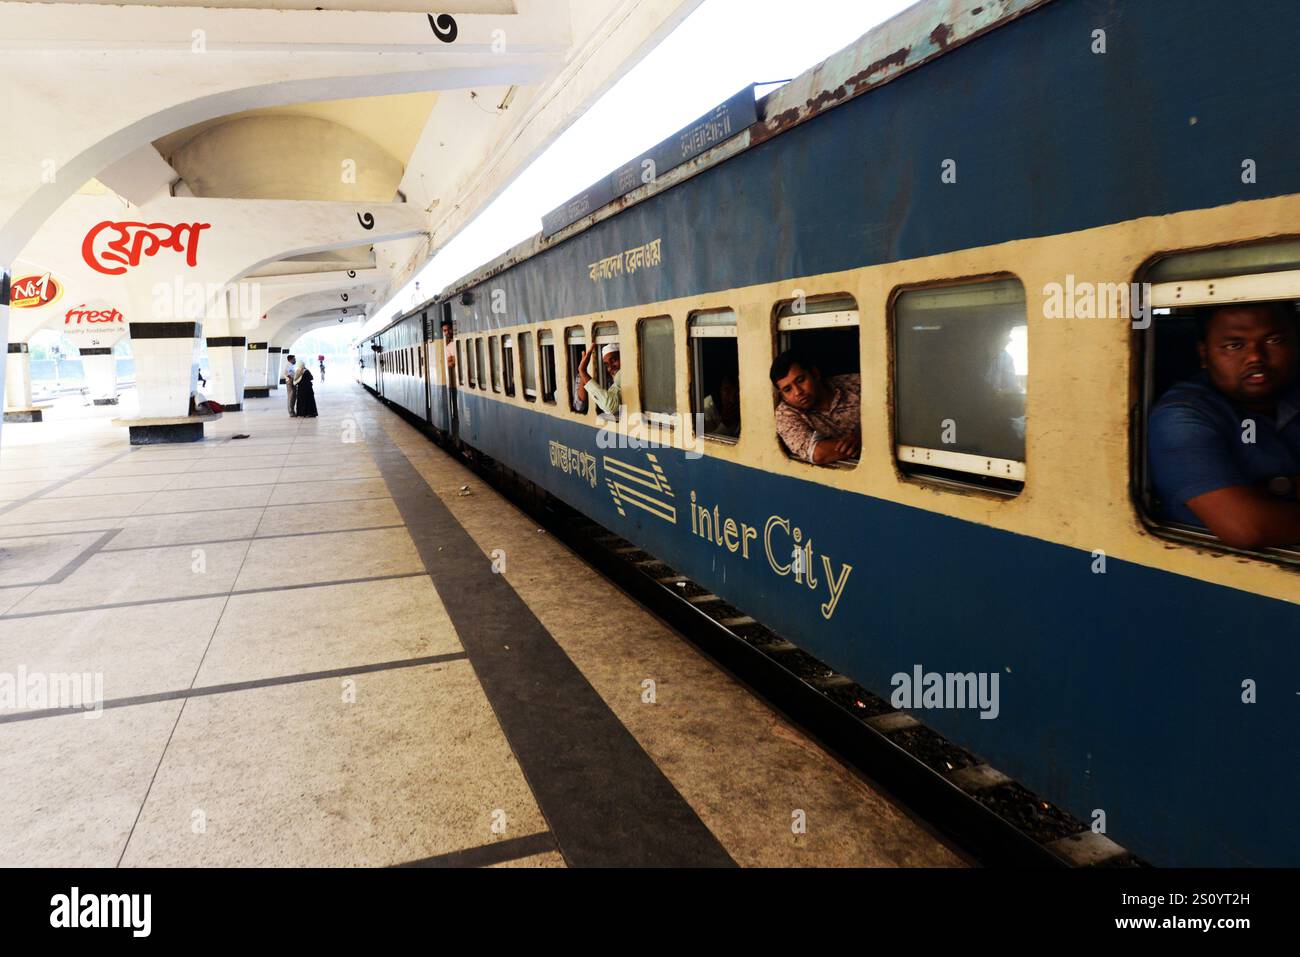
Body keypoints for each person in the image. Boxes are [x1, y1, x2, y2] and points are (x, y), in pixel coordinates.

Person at [1148, 302, 1300, 549]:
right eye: (1234, 346)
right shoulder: (1182, 416)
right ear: (1204, 355)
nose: (1255, 357)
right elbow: (1248, 528)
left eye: (1274, 340)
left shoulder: (1291, 391)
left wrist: (1277, 488)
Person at [770, 349, 861, 465]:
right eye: (788, 390)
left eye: (800, 380)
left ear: (815, 373)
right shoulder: (785, 413)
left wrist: (860, 439)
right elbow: (817, 454)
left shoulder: (855, 384)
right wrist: (862, 443)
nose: (798, 392)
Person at [579, 342, 622, 416]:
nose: (610, 368)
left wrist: (582, 371)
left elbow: (609, 406)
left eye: (613, 360)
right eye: (607, 364)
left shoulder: (621, 378)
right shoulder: (617, 382)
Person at [701, 373, 741, 438]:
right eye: (727, 391)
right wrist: (725, 424)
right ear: (720, 390)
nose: (732, 399)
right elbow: (702, 443)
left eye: (737, 393)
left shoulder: (744, 404)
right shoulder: (704, 407)